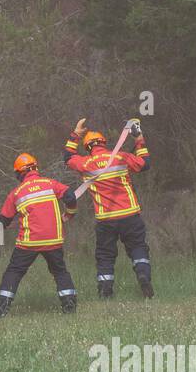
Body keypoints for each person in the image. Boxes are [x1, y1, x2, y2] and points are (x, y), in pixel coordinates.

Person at [65, 117, 153, 299]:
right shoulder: (121, 157)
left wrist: (75, 135)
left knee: (105, 255)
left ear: (88, 147)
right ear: (104, 143)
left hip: (106, 219)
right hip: (130, 215)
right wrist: (139, 139)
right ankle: (143, 275)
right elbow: (145, 163)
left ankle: (105, 290)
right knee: (138, 248)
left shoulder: (86, 164)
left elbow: (67, 158)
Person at [0, 153, 79, 316]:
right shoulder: (50, 183)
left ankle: (1, 310)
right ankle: (69, 306)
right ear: (35, 168)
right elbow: (70, 196)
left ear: (20, 173)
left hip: (29, 242)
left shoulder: (16, 193)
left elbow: (3, 220)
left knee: (14, 272)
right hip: (54, 239)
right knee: (59, 271)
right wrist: (69, 214)